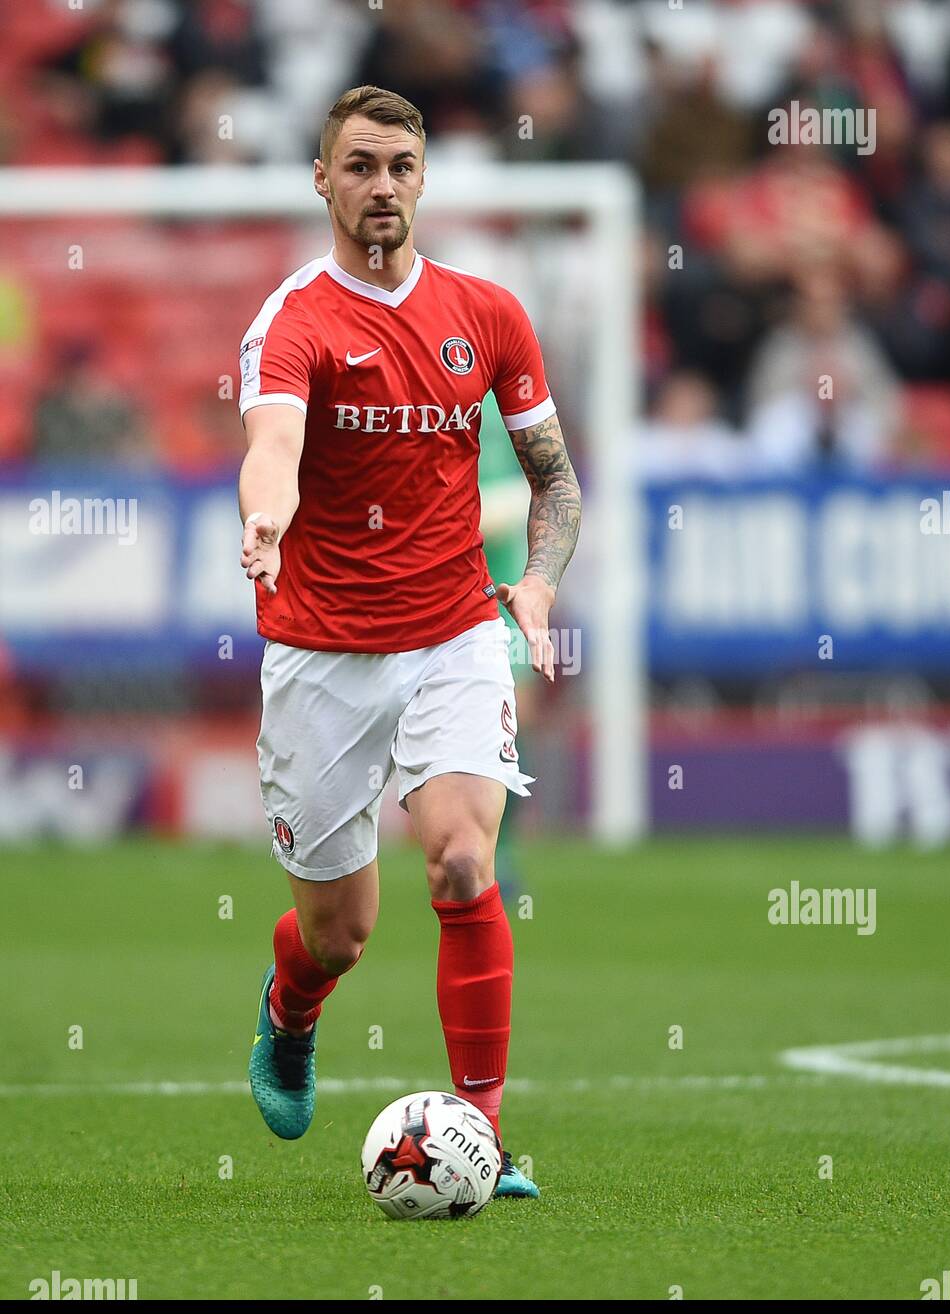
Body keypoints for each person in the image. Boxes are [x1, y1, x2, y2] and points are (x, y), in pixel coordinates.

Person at [237, 85, 581, 1199]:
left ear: (423, 179)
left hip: (451, 632)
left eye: (398, 166)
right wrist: (265, 513)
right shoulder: (291, 321)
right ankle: (291, 1011)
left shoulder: (486, 313)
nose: (379, 186)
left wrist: (534, 580)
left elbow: (554, 479)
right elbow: (274, 443)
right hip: (320, 651)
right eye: (357, 167)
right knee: (339, 933)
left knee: (465, 862)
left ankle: (481, 1132)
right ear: (322, 182)